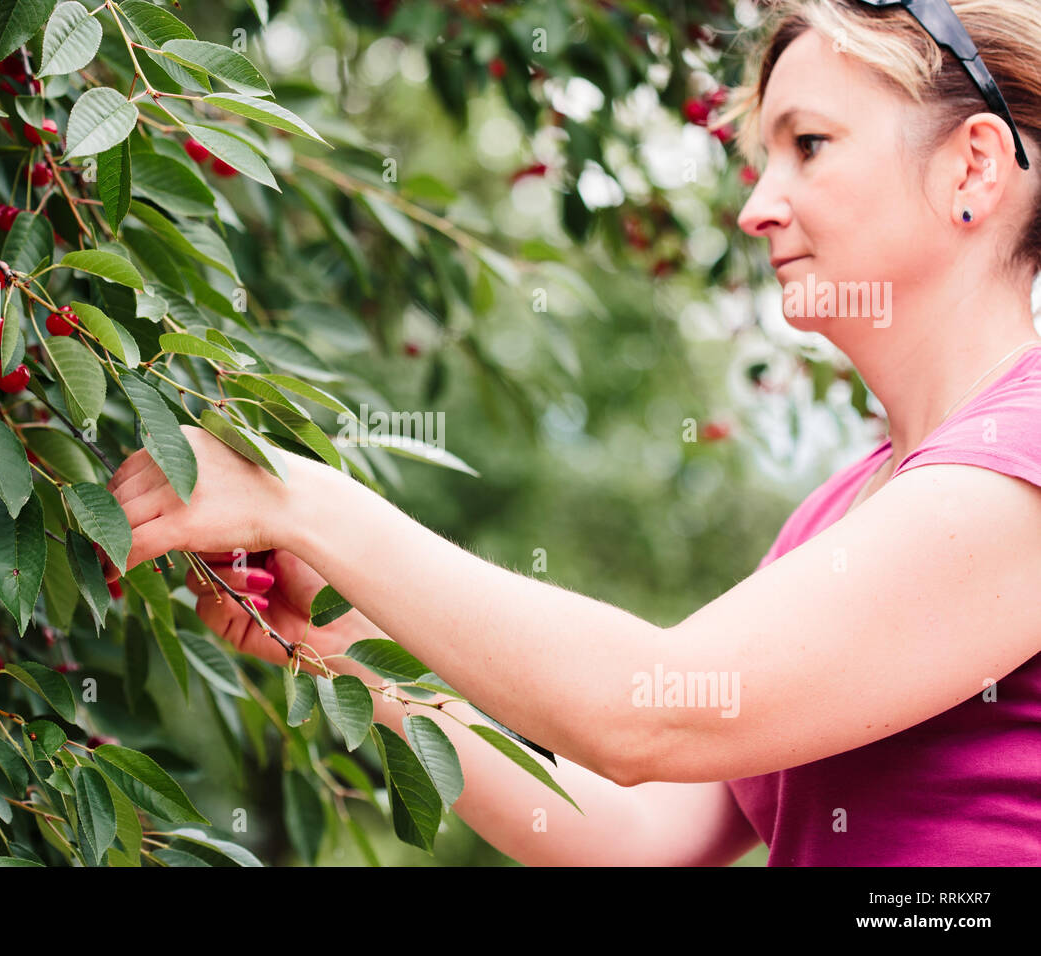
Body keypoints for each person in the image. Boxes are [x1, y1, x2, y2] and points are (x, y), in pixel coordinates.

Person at [102, 0, 1041, 866]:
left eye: (810, 144)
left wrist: (301, 501)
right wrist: (346, 640)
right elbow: (642, 832)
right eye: (764, 158)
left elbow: (647, 712)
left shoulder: (1024, 465)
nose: (756, 206)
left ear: (973, 167)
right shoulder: (843, 514)